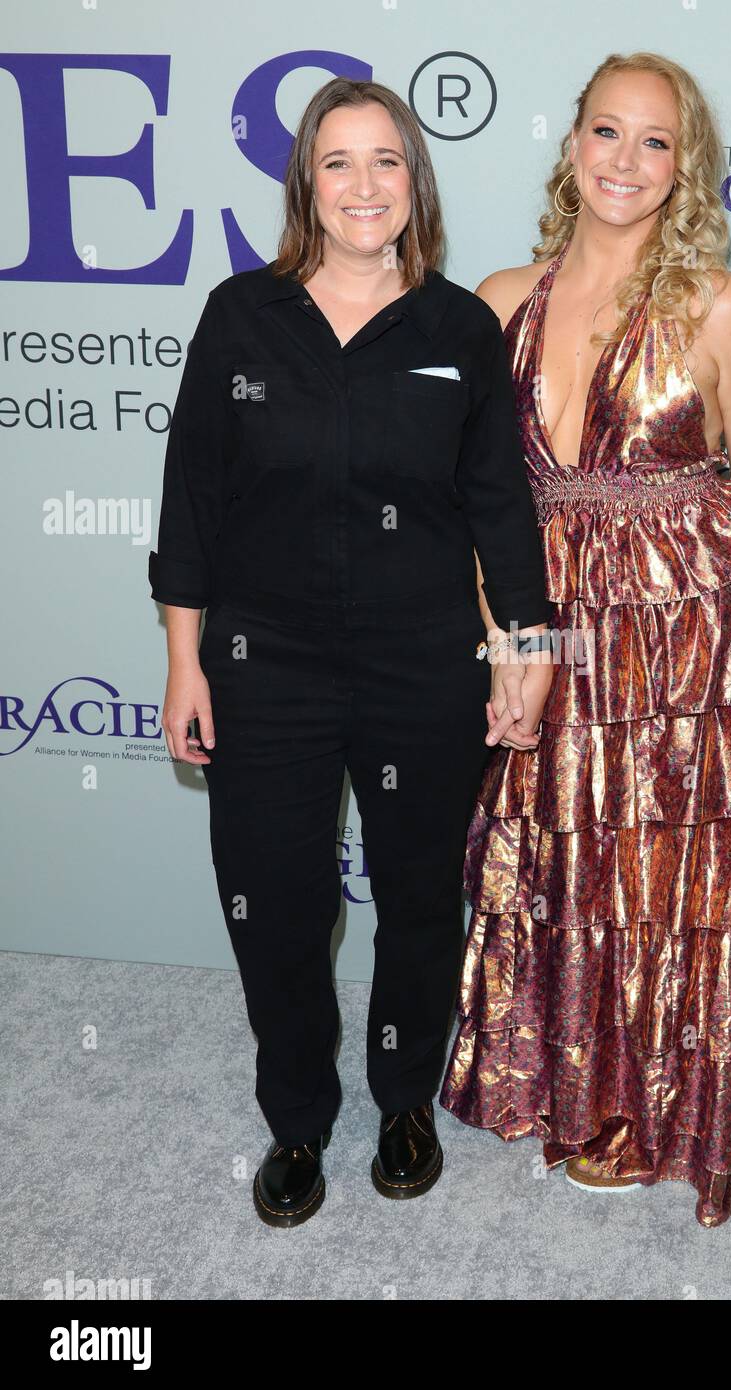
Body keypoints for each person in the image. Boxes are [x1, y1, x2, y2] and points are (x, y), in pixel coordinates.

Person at [439, 52, 731, 1227]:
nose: (625, 161)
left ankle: (668, 1110)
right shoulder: (493, 298)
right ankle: (578, 1090)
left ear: (685, 170)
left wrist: (691, 618)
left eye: (655, 141)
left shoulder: (719, 306)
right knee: (569, 866)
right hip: (540, 622)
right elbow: (475, 500)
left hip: (682, 653)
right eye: (606, 132)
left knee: (671, 882)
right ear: (569, 142)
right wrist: (503, 640)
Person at [149, 77, 553, 1227]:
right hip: (260, 660)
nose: (363, 185)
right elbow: (192, 506)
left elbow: (500, 511)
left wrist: (529, 647)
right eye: (338, 162)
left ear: (412, 182)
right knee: (277, 901)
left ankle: (402, 1101)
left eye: (386, 161)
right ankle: (295, 1118)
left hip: (421, 664)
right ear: (305, 184)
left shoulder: (458, 329)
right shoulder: (240, 317)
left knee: (419, 897)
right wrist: (185, 660)